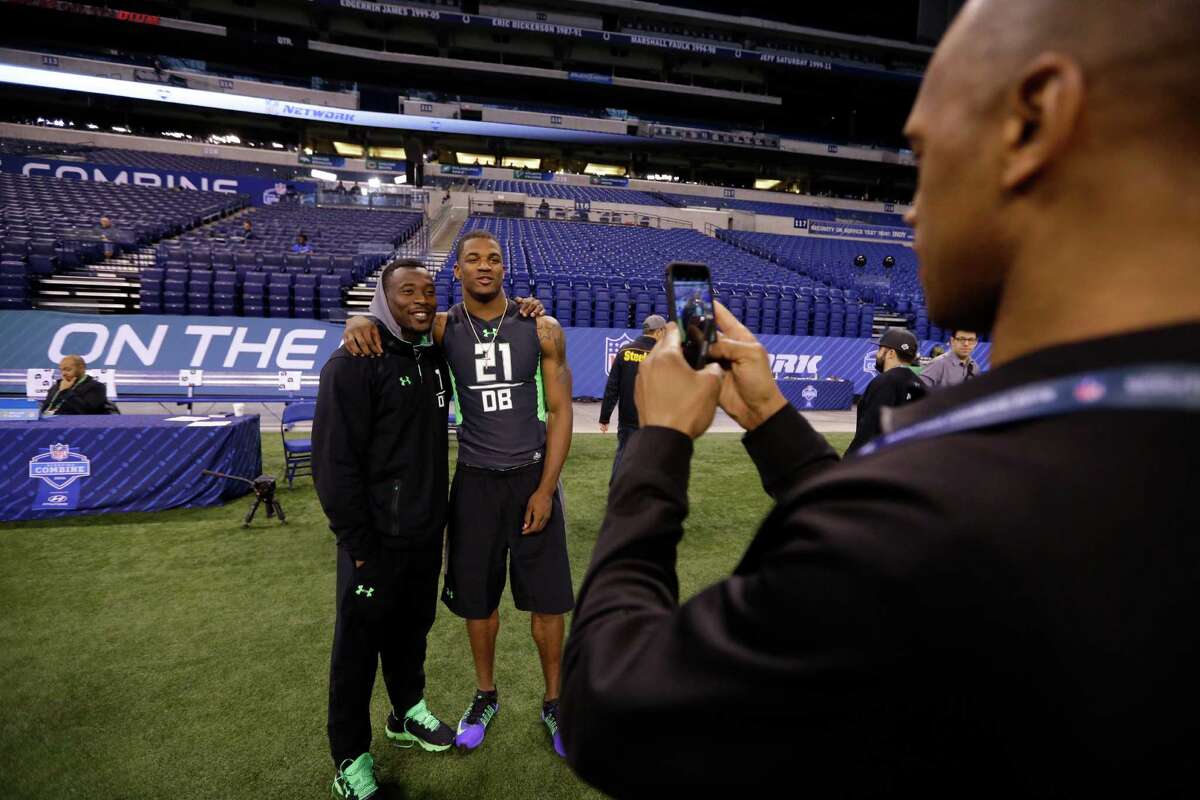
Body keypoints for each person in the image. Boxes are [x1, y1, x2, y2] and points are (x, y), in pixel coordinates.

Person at [559, 0, 1200, 795]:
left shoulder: (933, 519)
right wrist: (769, 421)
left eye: (924, 153)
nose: (911, 206)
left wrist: (656, 446)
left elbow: (613, 706)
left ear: (1036, 119)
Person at [343, 230, 574, 757]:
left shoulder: (541, 327)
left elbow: (561, 414)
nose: (484, 267)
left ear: (505, 269)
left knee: (548, 604)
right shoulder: (443, 328)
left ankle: (555, 701)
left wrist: (546, 488)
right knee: (478, 602)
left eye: (494, 259)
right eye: (473, 259)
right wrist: (357, 321)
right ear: (458, 271)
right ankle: (485, 694)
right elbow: (393, 326)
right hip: (473, 482)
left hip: (530, 478)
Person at [313, 261, 455, 800]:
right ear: (382, 298)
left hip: (423, 537)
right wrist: (360, 547)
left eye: (427, 291)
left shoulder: (431, 356)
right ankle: (350, 761)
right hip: (373, 546)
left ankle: (405, 713)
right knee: (356, 654)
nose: (420, 300)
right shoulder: (353, 362)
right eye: (406, 292)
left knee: (411, 632)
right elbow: (334, 466)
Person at [599, 314, 667, 480]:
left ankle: (616, 493)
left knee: (623, 455)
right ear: (658, 332)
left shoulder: (624, 351)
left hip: (627, 418)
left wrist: (604, 418)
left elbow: (612, 388)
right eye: (664, 331)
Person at [846, 326, 926, 453]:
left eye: (880, 349)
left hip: (878, 463)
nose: (877, 354)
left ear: (891, 353)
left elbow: (868, 432)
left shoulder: (885, 382)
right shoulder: (920, 384)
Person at [39, 355, 108, 416]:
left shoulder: (96, 387)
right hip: (49, 420)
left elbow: (88, 412)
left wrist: (66, 391)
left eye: (68, 370)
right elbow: (46, 408)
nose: (63, 373)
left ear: (81, 368)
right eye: (61, 370)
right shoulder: (57, 386)